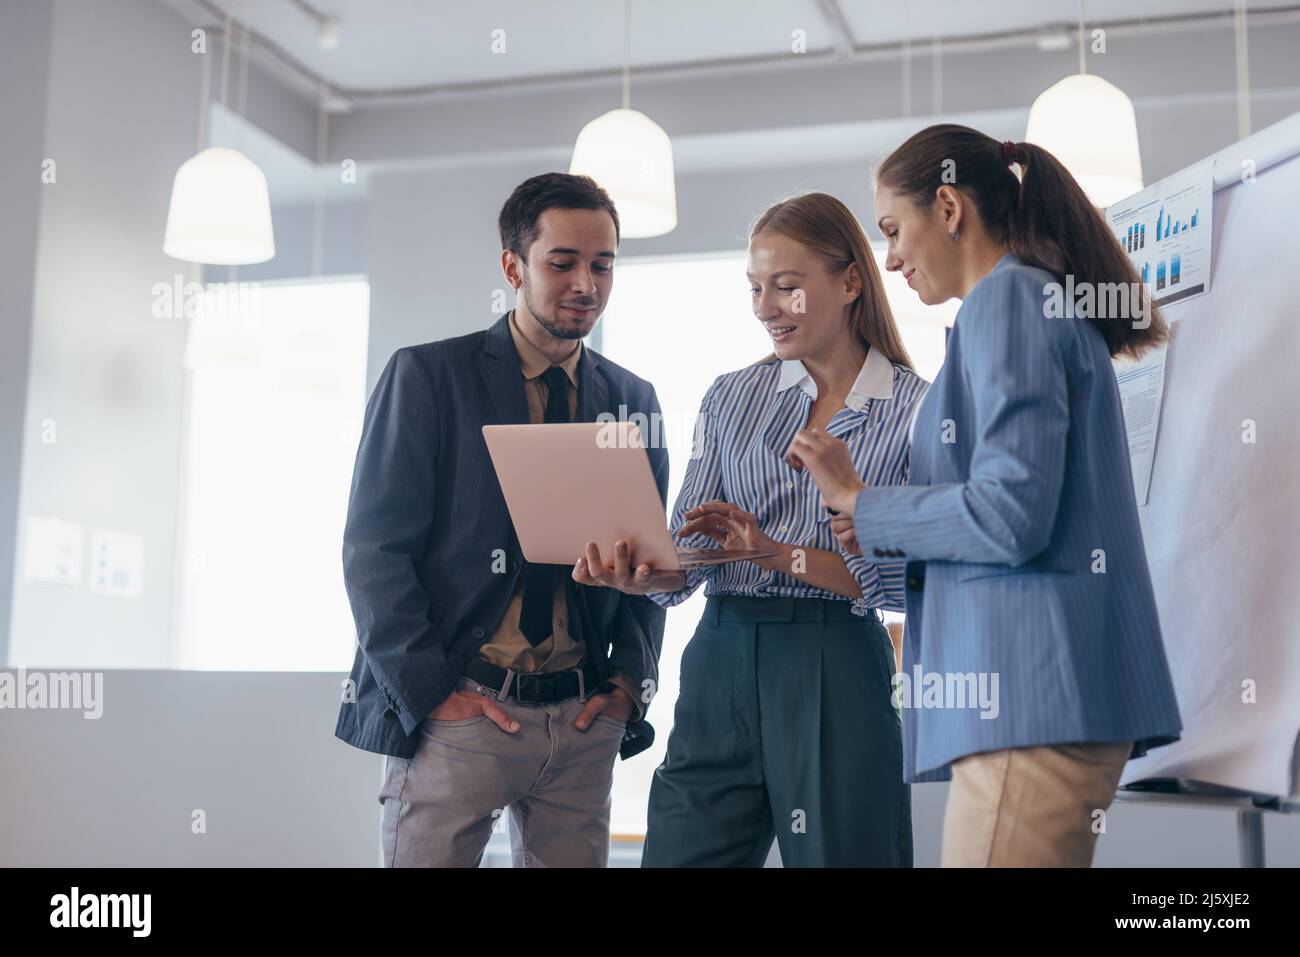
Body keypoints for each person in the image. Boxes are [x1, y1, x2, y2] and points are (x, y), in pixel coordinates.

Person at [789, 124, 1183, 867]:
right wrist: (877, 526)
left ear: (947, 207)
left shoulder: (1007, 304)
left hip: (1029, 695)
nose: (892, 258)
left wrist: (864, 501)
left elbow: (1010, 515)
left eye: (893, 229)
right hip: (1039, 698)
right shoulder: (1029, 304)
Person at [575, 193, 925, 867]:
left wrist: (775, 552)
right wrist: (643, 570)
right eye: (756, 287)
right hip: (720, 657)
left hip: (837, 663)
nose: (766, 306)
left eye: (787, 287)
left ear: (850, 282)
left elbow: (913, 581)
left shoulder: (916, 409)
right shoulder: (730, 396)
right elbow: (692, 556)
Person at [335, 172, 668, 867]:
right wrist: (431, 697)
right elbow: (374, 554)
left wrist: (628, 688)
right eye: (563, 262)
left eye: (603, 264)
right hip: (461, 713)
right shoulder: (428, 377)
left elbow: (648, 563)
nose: (587, 283)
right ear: (512, 265)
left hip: (581, 724)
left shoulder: (634, 397)